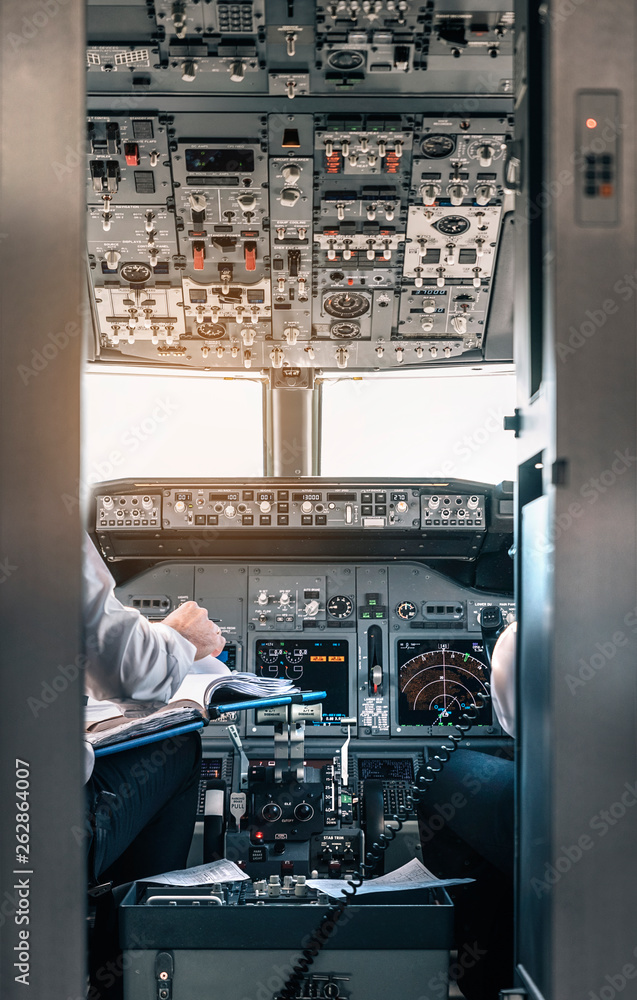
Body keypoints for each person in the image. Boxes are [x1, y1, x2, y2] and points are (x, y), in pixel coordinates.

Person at [83, 533, 227, 887]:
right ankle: (136, 932)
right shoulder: (35, 512)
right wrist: (180, 635)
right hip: (32, 812)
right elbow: (130, 671)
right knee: (177, 744)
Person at [417, 622, 516, 1000]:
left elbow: (513, 721)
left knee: (440, 771)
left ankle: (484, 981)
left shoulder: (523, 636)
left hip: (570, 799)